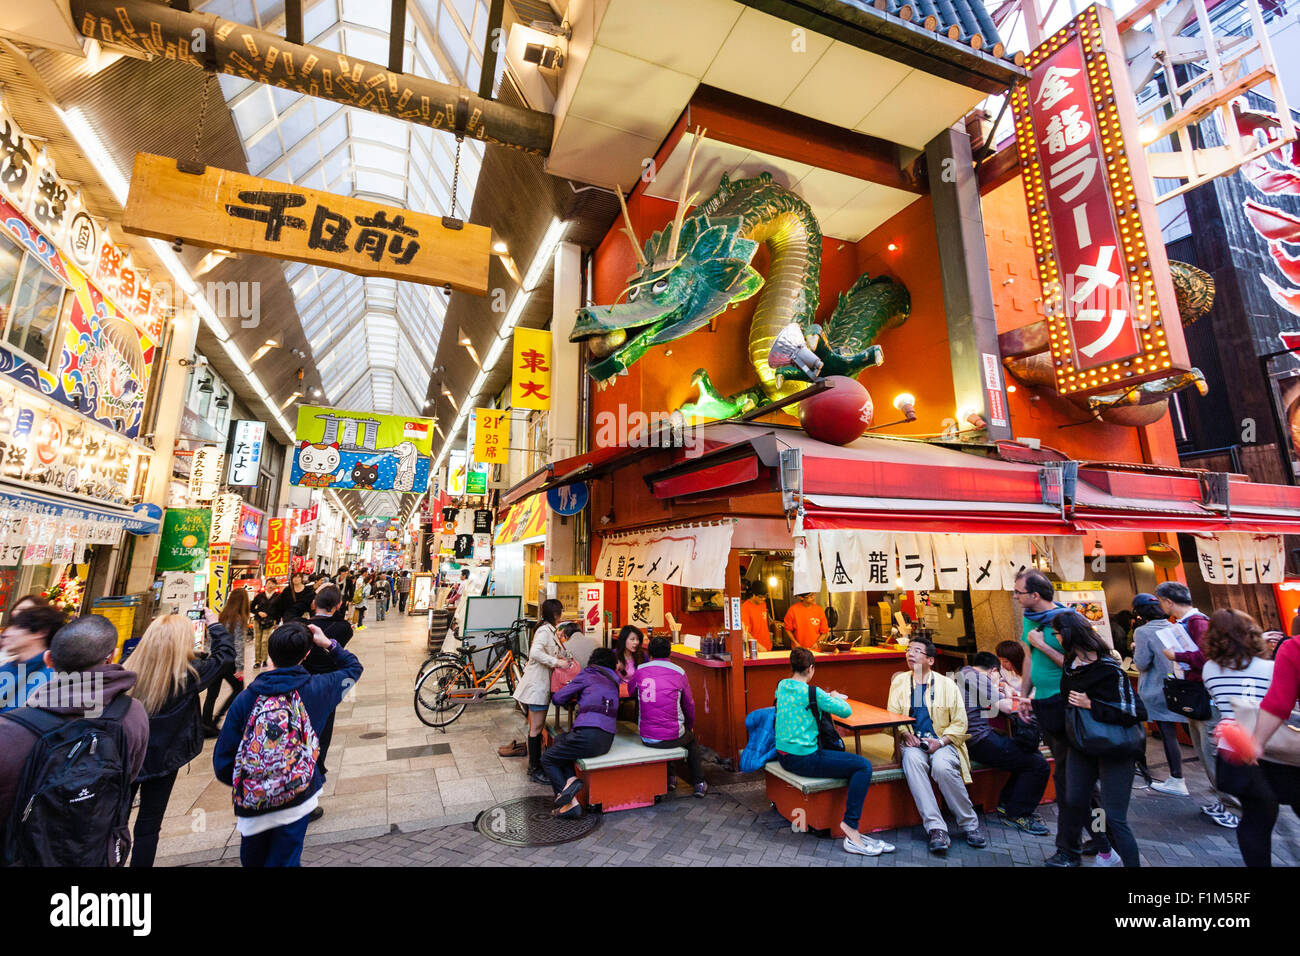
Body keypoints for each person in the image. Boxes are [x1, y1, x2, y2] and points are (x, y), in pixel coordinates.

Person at [0, 615, 149, 865]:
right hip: (99, 850)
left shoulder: (10, 730)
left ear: (48, 660)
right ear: (111, 656)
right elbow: (129, 775)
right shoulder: (132, 713)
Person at [213, 621, 363, 867]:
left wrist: (255, 781)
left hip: (253, 802)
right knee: (286, 859)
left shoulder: (246, 698)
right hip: (297, 794)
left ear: (269, 654)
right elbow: (353, 667)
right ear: (305, 655)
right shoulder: (319, 688)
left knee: (253, 860)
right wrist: (328, 643)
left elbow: (223, 759)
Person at [1014, 569, 1114, 862]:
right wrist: (1025, 693)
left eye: (1019, 592)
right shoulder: (1030, 621)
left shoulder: (1070, 621)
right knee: (1078, 781)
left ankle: (1068, 849)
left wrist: (1044, 644)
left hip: (1069, 704)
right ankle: (1102, 837)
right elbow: (1031, 659)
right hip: (1045, 705)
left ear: (1035, 595)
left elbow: (1084, 664)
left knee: (1069, 781)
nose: (1016, 596)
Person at [125, 610, 236, 866]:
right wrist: (216, 625)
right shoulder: (188, 675)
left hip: (126, 758)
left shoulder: (126, 671)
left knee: (115, 820)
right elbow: (226, 658)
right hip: (165, 758)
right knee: (149, 826)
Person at [1045, 611, 1145, 868]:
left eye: (1056, 633)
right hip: (1081, 742)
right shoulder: (1071, 664)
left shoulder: (1109, 669)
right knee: (1077, 799)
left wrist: (1092, 704)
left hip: (1114, 747)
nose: (1054, 637)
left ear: (1067, 634)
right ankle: (1105, 849)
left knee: (1115, 816)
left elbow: (1134, 711)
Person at [776, 646, 894, 855]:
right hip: (805, 759)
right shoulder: (814, 693)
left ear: (792, 666)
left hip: (784, 756)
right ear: (811, 668)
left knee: (847, 760)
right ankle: (850, 825)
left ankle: (852, 826)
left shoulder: (782, 686)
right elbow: (846, 711)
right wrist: (834, 697)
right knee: (863, 766)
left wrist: (825, 696)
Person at [1202, 609, 1290, 867]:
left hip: (1232, 751)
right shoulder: (1272, 667)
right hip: (1271, 748)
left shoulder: (1209, 669)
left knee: (1254, 818)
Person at [887, 638, 985, 853]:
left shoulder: (947, 684)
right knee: (912, 761)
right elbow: (892, 717)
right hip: (914, 743)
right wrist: (904, 734)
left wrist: (940, 742)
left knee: (942, 767)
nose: (910, 654)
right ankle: (936, 828)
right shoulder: (899, 682)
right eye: (908, 650)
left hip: (942, 741)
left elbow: (960, 723)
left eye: (917, 651)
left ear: (930, 660)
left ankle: (970, 824)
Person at [1156, 580, 1238, 828]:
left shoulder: (1196, 622)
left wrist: (1176, 656)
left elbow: (1207, 656)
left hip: (1206, 695)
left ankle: (1233, 807)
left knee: (1212, 751)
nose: (1161, 606)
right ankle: (1221, 801)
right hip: (1195, 693)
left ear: (1169, 601)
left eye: (1161, 601)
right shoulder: (1186, 623)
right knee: (1203, 751)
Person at [959, 651, 1050, 835]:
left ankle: (1007, 803)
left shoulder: (962, 675)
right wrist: (1011, 694)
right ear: (993, 670)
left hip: (970, 738)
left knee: (1028, 756)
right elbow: (1007, 707)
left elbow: (989, 706)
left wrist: (1001, 691)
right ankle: (1018, 814)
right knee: (1038, 764)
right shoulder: (975, 677)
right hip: (978, 739)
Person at [545, 647, 622, 819]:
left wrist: (577, 691)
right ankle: (571, 781)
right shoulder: (615, 679)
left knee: (548, 758)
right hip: (606, 740)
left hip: (588, 735)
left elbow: (558, 698)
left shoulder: (589, 674)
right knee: (561, 741)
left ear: (593, 661)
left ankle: (566, 801)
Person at [628, 635, 706, 797]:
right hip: (673, 736)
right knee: (690, 740)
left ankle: (670, 778)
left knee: (666, 728)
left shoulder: (641, 670)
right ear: (670, 653)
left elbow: (630, 691)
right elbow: (689, 705)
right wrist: (689, 724)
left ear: (649, 653)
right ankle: (699, 782)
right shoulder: (679, 672)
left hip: (647, 737)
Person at [1130, 592, 1190, 796]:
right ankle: (1216, 781)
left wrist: (1135, 648)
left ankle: (1177, 779)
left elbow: (1141, 663)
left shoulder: (1143, 632)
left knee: (1168, 734)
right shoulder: (1176, 626)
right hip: (1183, 688)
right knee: (1194, 733)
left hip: (1159, 689)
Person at [303, 584, 354, 817]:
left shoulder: (301, 628)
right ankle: (311, 791)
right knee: (321, 738)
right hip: (328, 688)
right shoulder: (343, 628)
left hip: (301, 686)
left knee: (302, 737)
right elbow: (351, 661)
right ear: (338, 605)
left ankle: (301, 787)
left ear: (314, 603)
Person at [509, 599, 568, 782]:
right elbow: (535, 653)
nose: (562, 614)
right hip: (537, 686)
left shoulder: (549, 630)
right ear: (556, 614)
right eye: (561, 611)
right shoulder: (544, 631)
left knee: (536, 727)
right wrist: (557, 662)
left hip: (539, 685)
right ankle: (535, 769)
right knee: (536, 727)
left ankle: (535, 767)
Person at [202, 588, 250, 736]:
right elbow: (239, 644)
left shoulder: (221, 616)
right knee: (238, 689)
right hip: (229, 663)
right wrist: (240, 667)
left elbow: (211, 639)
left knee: (212, 694)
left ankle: (205, 724)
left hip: (216, 661)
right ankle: (217, 719)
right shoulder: (239, 619)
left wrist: (210, 659)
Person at [0, 604, 65, 712]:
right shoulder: (9, 668)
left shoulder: (50, 680)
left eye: (17, 627)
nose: (6, 633)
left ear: (41, 632)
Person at [741, 582, 772, 651]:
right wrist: (758, 646)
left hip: (767, 646)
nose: (763, 599)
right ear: (753, 594)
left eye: (765, 596)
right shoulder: (745, 608)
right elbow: (746, 632)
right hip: (756, 649)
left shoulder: (763, 604)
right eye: (760, 596)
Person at [251, 583, 274, 669]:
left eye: (273, 584)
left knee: (265, 641)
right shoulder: (259, 596)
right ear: (266, 585)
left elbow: (279, 609)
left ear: (275, 585)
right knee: (257, 641)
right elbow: (251, 607)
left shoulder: (277, 596)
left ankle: (264, 660)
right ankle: (257, 661)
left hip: (270, 621)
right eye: (269, 583)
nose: (271, 585)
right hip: (258, 620)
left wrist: (276, 620)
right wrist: (258, 612)